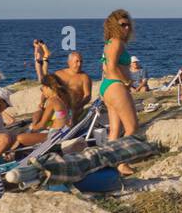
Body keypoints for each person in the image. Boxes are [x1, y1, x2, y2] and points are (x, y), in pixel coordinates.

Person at [100, 10, 139, 174]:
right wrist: (126, 81)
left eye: (128, 24)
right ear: (113, 26)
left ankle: (107, 161)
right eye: (122, 25)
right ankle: (122, 163)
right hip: (115, 86)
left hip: (108, 87)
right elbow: (111, 67)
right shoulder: (116, 42)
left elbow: (105, 67)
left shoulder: (109, 43)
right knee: (132, 127)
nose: (127, 28)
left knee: (115, 130)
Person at [55, 51, 93, 120]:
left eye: (81, 62)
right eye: (77, 61)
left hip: (75, 110)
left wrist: (78, 106)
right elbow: (48, 88)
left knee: (63, 119)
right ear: (69, 62)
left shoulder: (84, 77)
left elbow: (88, 96)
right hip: (60, 109)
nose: (79, 64)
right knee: (39, 114)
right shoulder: (59, 74)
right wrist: (42, 103)